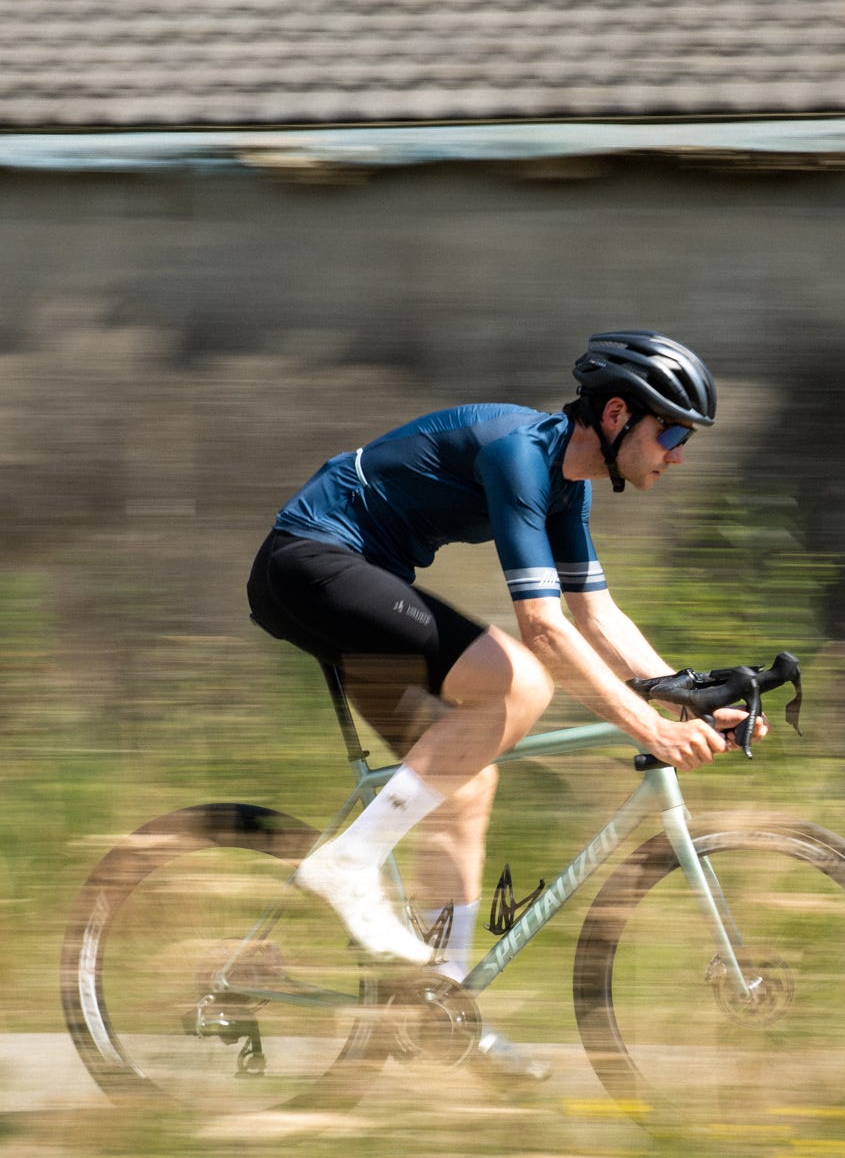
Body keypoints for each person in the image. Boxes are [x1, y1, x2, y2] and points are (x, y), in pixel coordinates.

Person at [243, 330, 758, 1077]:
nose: (678, 453)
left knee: (466, 776)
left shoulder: (565, 486)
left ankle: (438, 1008)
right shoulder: (519, 452)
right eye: (671, 432)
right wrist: (645, 725)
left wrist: (691, 700)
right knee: (519, 681)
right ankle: (350, 860)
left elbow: (595, 614)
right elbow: (543, 630)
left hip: (354, 582)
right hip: (310, 562)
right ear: (616, 416)